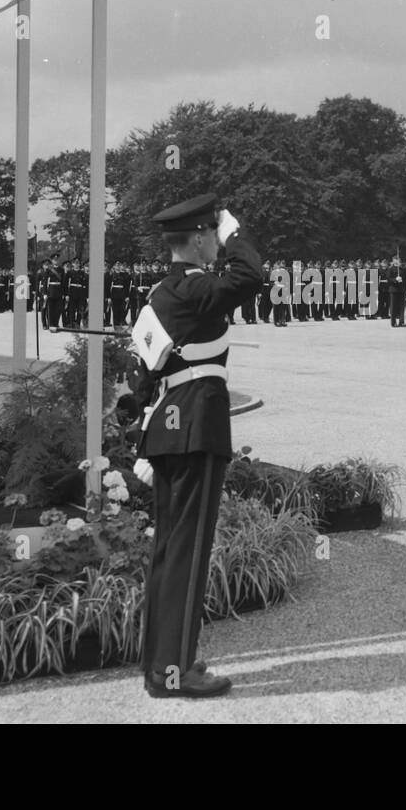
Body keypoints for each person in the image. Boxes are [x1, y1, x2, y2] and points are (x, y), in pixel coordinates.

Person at [132, 193, 259, 698]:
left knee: (169, 550)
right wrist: (235, 235)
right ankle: (173, 672)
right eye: (213, 236)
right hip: (196, 427)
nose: (216, 244)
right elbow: (250, 277)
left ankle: (162, 664)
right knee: (186, 551)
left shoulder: (160, 294)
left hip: (168, 426)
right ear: (202, 237)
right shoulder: (197, 287)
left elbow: (142, 379)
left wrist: (145, 436)